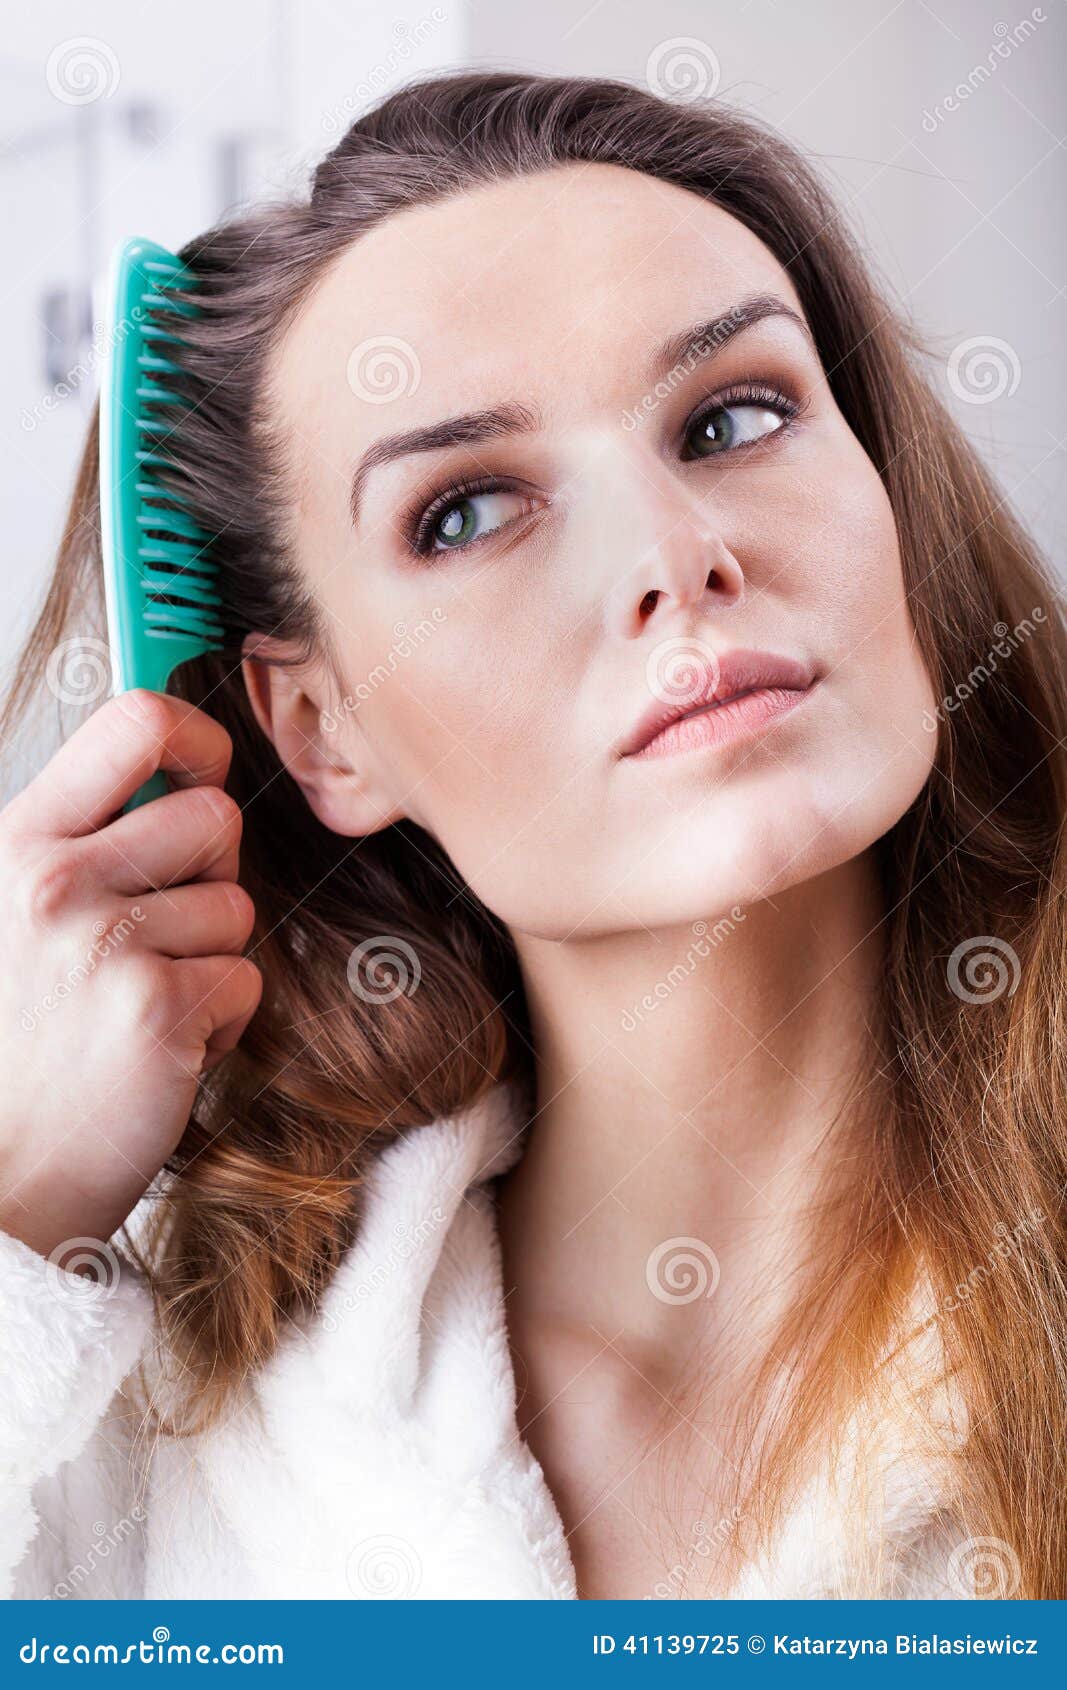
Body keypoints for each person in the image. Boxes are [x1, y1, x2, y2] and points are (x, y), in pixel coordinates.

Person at [1, 70, 1064, 1602]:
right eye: (465, 511)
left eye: (737, 413)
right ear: (319, 731)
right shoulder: (161, 1431)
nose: (676, 553)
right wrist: (23, 1217)